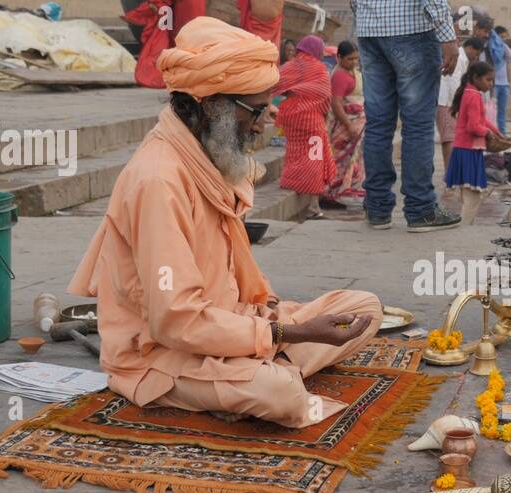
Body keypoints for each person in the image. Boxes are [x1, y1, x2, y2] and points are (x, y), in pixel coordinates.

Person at [67, 17, 382, 429]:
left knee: (365, 309)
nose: (265, 121)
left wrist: (271, 323)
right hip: (163, 350)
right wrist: (286, 334)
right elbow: (176, 320)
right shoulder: (159, 180)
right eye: (256, 109)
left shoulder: (208, 152)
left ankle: (252, 368)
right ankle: (260, 373)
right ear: (213, 105)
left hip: (233, 322)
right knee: (282, 395)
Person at [352, 0, 461, 232]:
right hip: (412, 30)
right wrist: (447, 35)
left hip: (369, 31)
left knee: (378, 124)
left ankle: (377, 208)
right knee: (417, 126)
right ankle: (420, 210)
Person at [274, 36, 335, 221]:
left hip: (291, 117)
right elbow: (325, 96)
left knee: (295, 154)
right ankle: (313, 207)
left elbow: (276, 84)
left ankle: (296, 187)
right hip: (312, 120)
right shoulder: (319, 68)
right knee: (314, 158)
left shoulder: (290, 66)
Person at [445, 62, 502, 224]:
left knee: (468, 195)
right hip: (468, 150)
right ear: (476, 78)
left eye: (492, 81)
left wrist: (497, 132)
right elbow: (473, 126)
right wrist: (488, 133)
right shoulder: (473, 95)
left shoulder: (471, 92)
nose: (490, 84)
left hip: (465, 149)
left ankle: (464, 226)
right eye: (488, 80)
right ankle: (463, 229)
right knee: (473, 197)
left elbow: (482, 120)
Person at [324, 40, 366, 206]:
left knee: (348, 160)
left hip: (355, 122)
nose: (354, 62)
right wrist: (349, 125)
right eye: (350, 59)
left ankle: (337, 192)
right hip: (344, 125)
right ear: (339, 57)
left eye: (356, 59)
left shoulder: (352, 72)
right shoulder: (340, 76)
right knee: (338, 159)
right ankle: (329, 194)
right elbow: (336, 104)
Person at [438, 37, 485, 172]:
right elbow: (453, 83)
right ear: (470, 48)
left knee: (451, 137)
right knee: (449, 139)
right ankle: (449, 172)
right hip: (446, 102)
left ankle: (451, 170)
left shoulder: (464, 60)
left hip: (450, 102)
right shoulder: (459, 58)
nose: (475, 58)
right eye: (476, 54)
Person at [493, 26, 511, 135]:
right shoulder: (492, 49)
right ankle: (492, 132)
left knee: (502, 111)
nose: (503, 39)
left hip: (504, 84)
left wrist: (502, 44)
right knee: (492, 110)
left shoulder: (503, 48)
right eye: (501, 37)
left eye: (505, 37)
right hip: (494, 84)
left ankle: (502, 133)